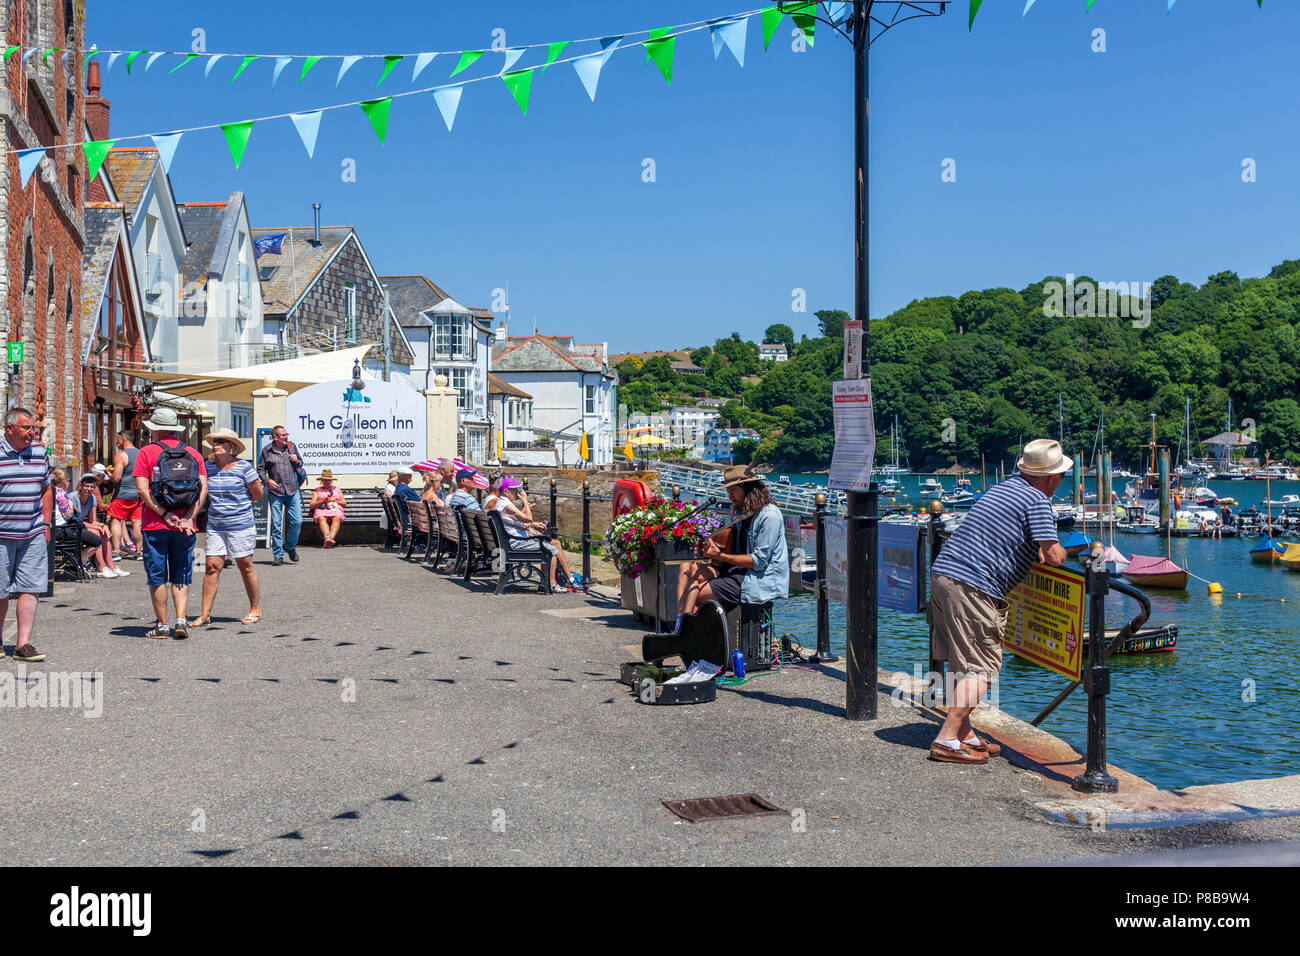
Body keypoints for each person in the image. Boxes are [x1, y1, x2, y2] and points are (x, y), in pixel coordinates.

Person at [927, 438, 1069, 764]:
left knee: (962, 661)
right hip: (974, 586)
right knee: (981, 667)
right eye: (1061, 476)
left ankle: (964, 733)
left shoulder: (1004, 488)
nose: (1061, 482)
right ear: (1050, 477)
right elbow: (1051, 555)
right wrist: (1071, 552)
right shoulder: (1038, 500)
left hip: (944, 575)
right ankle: (947, 739)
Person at [675, 465, 789, 623]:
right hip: (733, 571)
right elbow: (733, 548)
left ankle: (682, 629)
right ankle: (682, 626)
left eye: (732, 492)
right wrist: (712, 549)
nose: (729, 497)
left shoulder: (769, 516)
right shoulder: (740, 511)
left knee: (696, 593)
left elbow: (758, 562)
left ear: (747, 489)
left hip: (753, 578)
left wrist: (719, 555)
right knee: (686, 568)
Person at [133, 407, 208, 640]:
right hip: (186, 526)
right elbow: (203, 489)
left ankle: (162, 626)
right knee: (182, 574)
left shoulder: (147, 452)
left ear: (155, 429)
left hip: (155, 525)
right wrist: (189, 517)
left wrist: (164, 513)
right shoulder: (193, 453)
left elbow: (142, 490)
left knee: (157, 577)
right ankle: (181, 622)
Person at [0, 408, 53, 662]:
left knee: (31, 587)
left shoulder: (40, 452)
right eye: (26, 428)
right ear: (10, 428)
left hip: (32, 532)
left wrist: (46, 524)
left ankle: (23, 643)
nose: (32, 432)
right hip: (1, 534)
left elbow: (46, 489)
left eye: (33, 428)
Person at [194, 429, 262, 627]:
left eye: (221, 441)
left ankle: (255, 609)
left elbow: (257, 494)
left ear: (231, 446)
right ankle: (205, 614)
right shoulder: (208, 468)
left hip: (240, 525)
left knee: (245, 566)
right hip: (216, 524)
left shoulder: (244, 468)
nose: (216, 445)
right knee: (211, 567)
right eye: (214, 441)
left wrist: (238, 505)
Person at [494, 476, 575, 589]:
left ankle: (565, 579)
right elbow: (528, 518)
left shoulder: (501, 503)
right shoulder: (507, 505)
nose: (517, 492)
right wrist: (525, 501)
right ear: (506, 492)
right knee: (551, 550)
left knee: (553, 543)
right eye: (514, 490)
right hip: (517, 543)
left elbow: (516, 522)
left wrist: (533, 524)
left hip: (510, 541)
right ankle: (551, 584)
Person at [257, 425, 304, 566]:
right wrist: (267, 480)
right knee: (277, 525)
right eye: (283, 435)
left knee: (297, 522)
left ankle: (289, 546)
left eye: (286, 434)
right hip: (276, 492)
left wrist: (297, 460)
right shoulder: (267, 451)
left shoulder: (292, 446)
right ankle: (278, 555)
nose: (286, 437)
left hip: (292, 490)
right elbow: (260, 469)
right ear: (275, 437)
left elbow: (301, 463)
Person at [73, 473, 126, 577]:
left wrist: (103, 526)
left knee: (103, 532)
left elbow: (93, 521)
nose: (89, 489)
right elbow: (76, 521)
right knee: (96, 532)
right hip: (73, 526)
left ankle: (111, 566)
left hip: (82, 526)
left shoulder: (92, 498)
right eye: (86, 486)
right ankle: (102, 568)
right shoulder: (73, 497)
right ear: (80, 486)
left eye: (92, 487)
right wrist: (99, 527)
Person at [109, 430, 143, 560]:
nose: (116, 443)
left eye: (117, 440)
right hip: (138, 494)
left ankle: (116, 551)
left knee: (116, 520)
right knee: (137, 522)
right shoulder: (141, 454)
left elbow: (116, 478)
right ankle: (139, 551)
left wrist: (107, 473)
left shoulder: (121, 455)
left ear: (123, 440)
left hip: (122, 494)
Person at [310, 469, 346, 548]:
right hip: (322, 510)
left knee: (337, 517)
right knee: (321, 518)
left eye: (329, 480)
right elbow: (312, 505)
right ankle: (328, 538)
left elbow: (344, 503)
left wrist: (335, 500)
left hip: (335, 509)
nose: (327, 482)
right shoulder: (317, 490)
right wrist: (322, 500)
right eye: (325, 480)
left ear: (331, 481)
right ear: (321, 481)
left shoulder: (337, 489)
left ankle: (329, 539)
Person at [391, 465, 422, 529]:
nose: (411, 476)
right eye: (408, 474)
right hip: (412, 520)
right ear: (401, 476)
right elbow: (421, 504)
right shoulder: (406, 489)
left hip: (406, 519)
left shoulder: (399, 488)